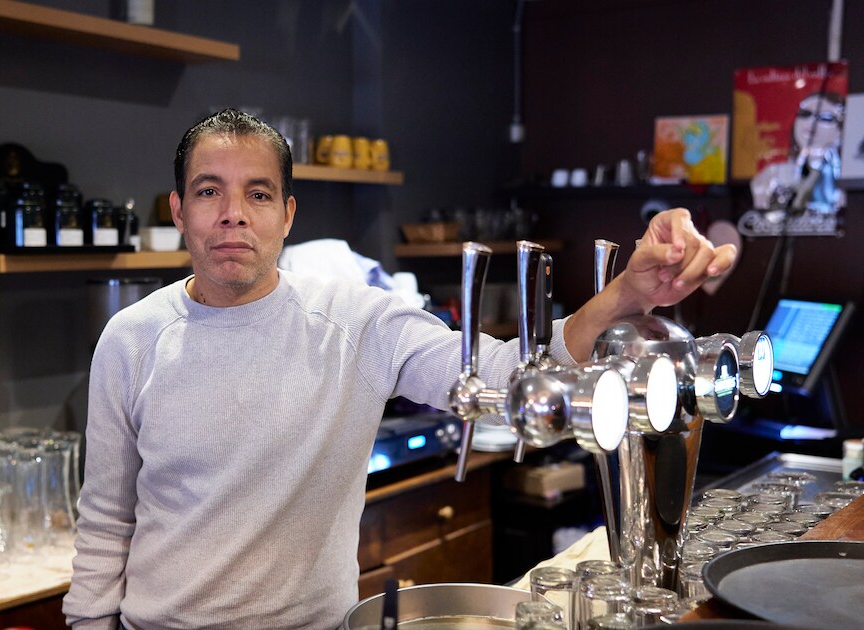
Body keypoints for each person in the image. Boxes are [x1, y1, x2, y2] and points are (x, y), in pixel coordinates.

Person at [62, 108, 735, 629]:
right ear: (179, 210)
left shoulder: (360, 322)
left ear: (288, 214)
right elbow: (104, 520)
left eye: (259, 194)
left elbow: (503, 376)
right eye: (209, 191)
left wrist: (626, 295)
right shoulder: (130, 339)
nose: (233, 214)